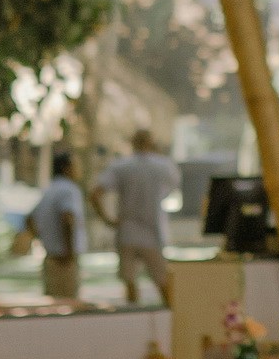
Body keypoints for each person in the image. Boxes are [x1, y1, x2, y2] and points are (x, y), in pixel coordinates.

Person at [99, 130, 183, 306]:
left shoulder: (121, 166)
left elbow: (96, 193)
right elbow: (173, 184)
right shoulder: (163, 165)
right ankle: (172, 316)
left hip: (127, 232)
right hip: (152, 232)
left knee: (130, 284)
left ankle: (133, 316)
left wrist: (108, 220)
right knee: (163, 283)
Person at [25, 153, 88, 301]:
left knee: (53, 302)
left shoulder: (50, 189)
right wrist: (68, 250)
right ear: (66, 168)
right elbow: (67, 218)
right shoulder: (69, 190)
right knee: (69, 302)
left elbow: (29, 219)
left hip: (51, 256)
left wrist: (42, 238)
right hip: (64, 258)